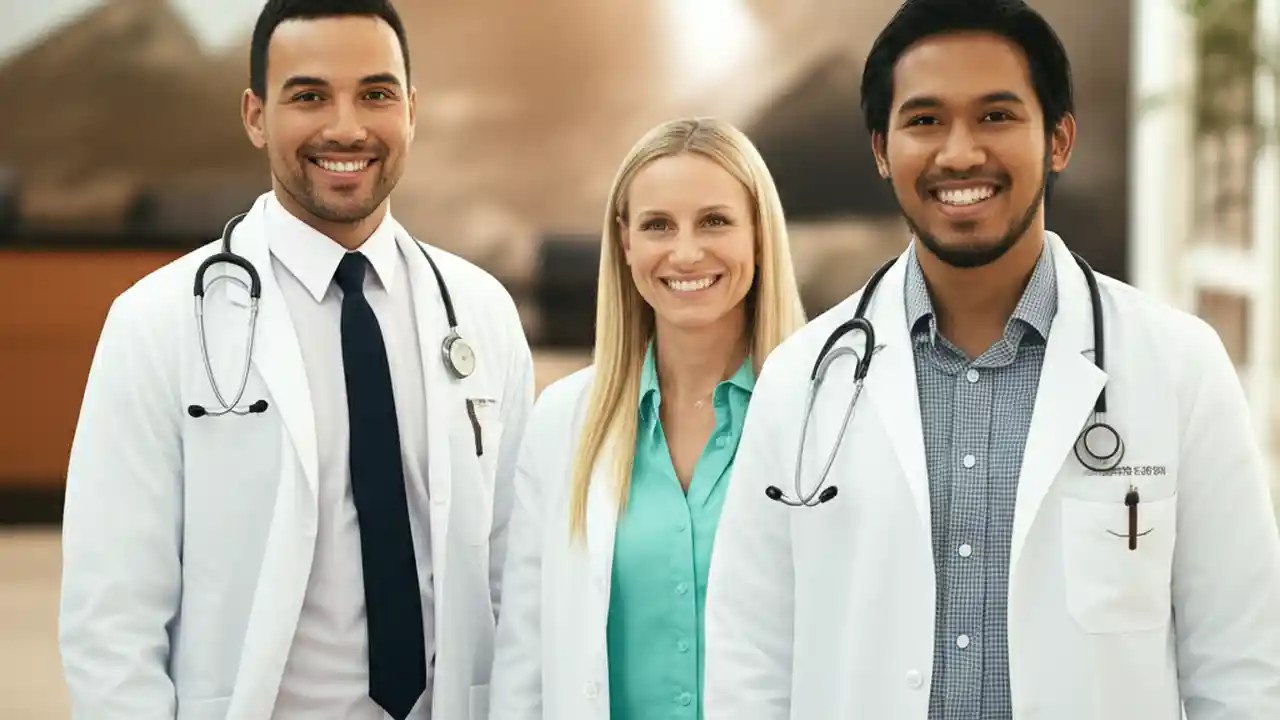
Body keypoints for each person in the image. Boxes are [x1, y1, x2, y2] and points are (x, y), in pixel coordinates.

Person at [703, 0, 1280, 718]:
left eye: (996, 115)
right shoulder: (801, 381)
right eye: (924, 121)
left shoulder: (1180, 368)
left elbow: (1241, 668)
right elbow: (749, 665)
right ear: (881, 151)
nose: (959, 153)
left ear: (1059, 140)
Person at [58, 1, 534, 718]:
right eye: (309, 95)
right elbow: (111, 617)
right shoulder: (155, 324)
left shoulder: (482, 314)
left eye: (375, 94)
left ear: (412, 110)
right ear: (255, 116)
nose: (346, 127)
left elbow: (517, 577)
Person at [487, 117, 806, 719]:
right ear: (626, 241)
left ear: (759, 235)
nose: (686, 252)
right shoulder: (560, 426)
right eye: (658, 225)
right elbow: (525, 659)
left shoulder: (825, 418)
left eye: (714, 221)